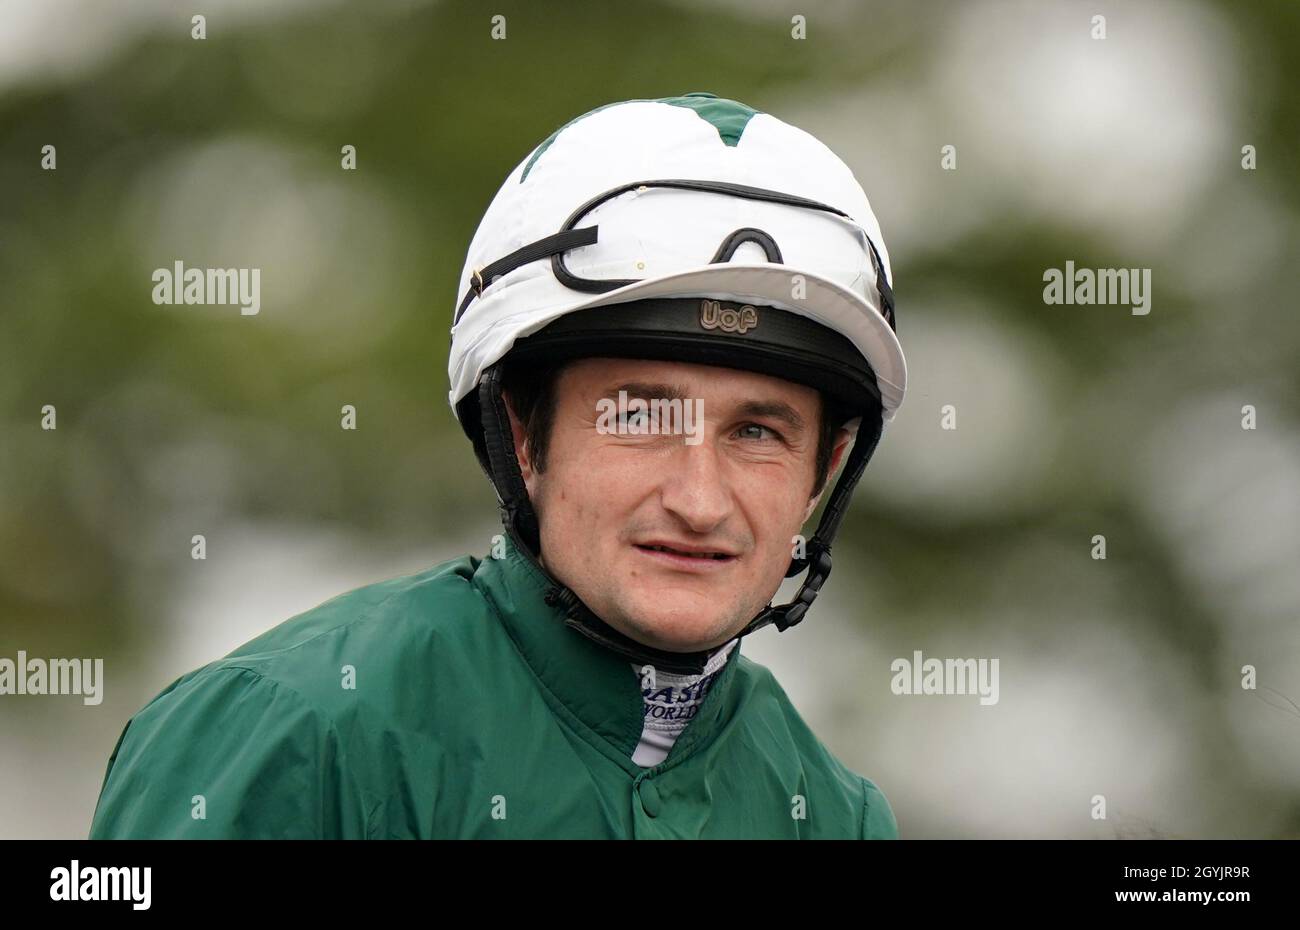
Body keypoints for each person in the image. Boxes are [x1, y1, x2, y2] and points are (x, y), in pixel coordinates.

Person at [89, 92, 907, 839]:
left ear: (824, 469)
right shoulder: (282, 736)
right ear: (523, 432)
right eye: (641, 416)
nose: (699, 500)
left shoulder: (838, 816)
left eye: (757, 433)